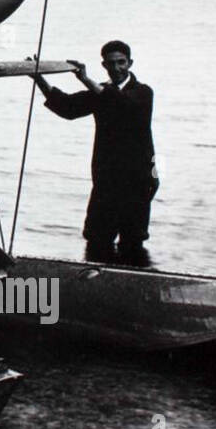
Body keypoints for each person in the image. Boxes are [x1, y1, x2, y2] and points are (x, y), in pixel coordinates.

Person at [34, 40, 158, 264]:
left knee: (132, 243)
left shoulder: (143, 93)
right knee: (97, 240)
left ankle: (133, 291)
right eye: (111, 63)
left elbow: (122, 105)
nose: (117, 68)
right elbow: (67, 107)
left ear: (130, 63)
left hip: (137, 181)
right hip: (107, 181)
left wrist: (84, 78)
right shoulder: (100, 92)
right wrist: (38, 79)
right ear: (104, 65)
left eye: (121, 62)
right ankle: (96, 287)